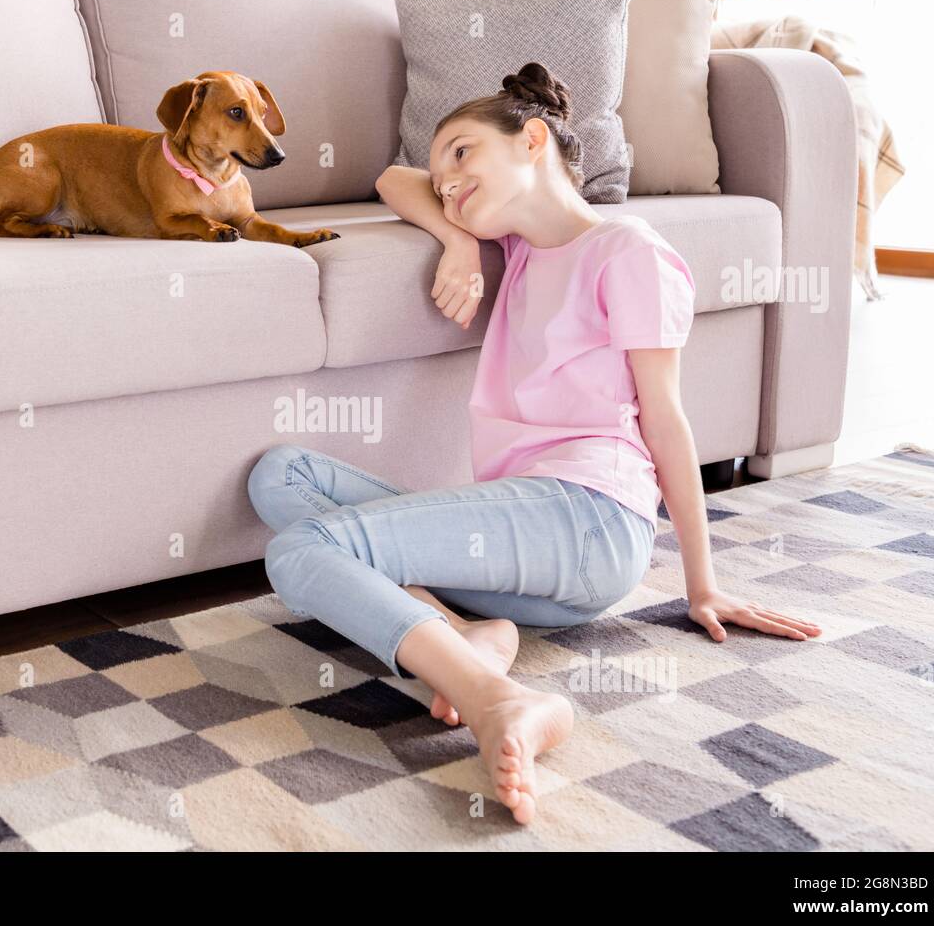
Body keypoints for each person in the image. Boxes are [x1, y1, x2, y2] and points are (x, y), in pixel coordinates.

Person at [246, 62, 820, 825]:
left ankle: (498, 701)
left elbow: (666, 419)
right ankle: (467, 635)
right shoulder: (517, 252)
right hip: (518, 546)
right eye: (443, 170)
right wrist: (455, 239)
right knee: (282, 474)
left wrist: (701, 582)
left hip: (589, 515)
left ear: (534, 139)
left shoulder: (627, 250)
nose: (446, 180)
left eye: (462, 154)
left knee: (301, 551)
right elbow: (393, 178)